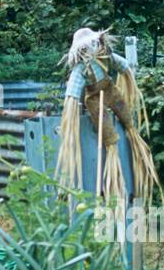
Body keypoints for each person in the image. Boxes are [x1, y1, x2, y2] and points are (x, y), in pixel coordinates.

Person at [55, 28, 158, 210]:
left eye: (95, 42)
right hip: (94, 98)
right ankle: (112, 155)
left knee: (124, 113)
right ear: (81, 49)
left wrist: (127, 71)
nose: (93, 46)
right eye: (89, 44)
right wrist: (70, 102)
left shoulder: (106, 57)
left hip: (110, 89)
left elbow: (121, 64)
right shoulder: (81, 68)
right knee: (106, 128)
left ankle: (133, 134)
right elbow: (74, 87)